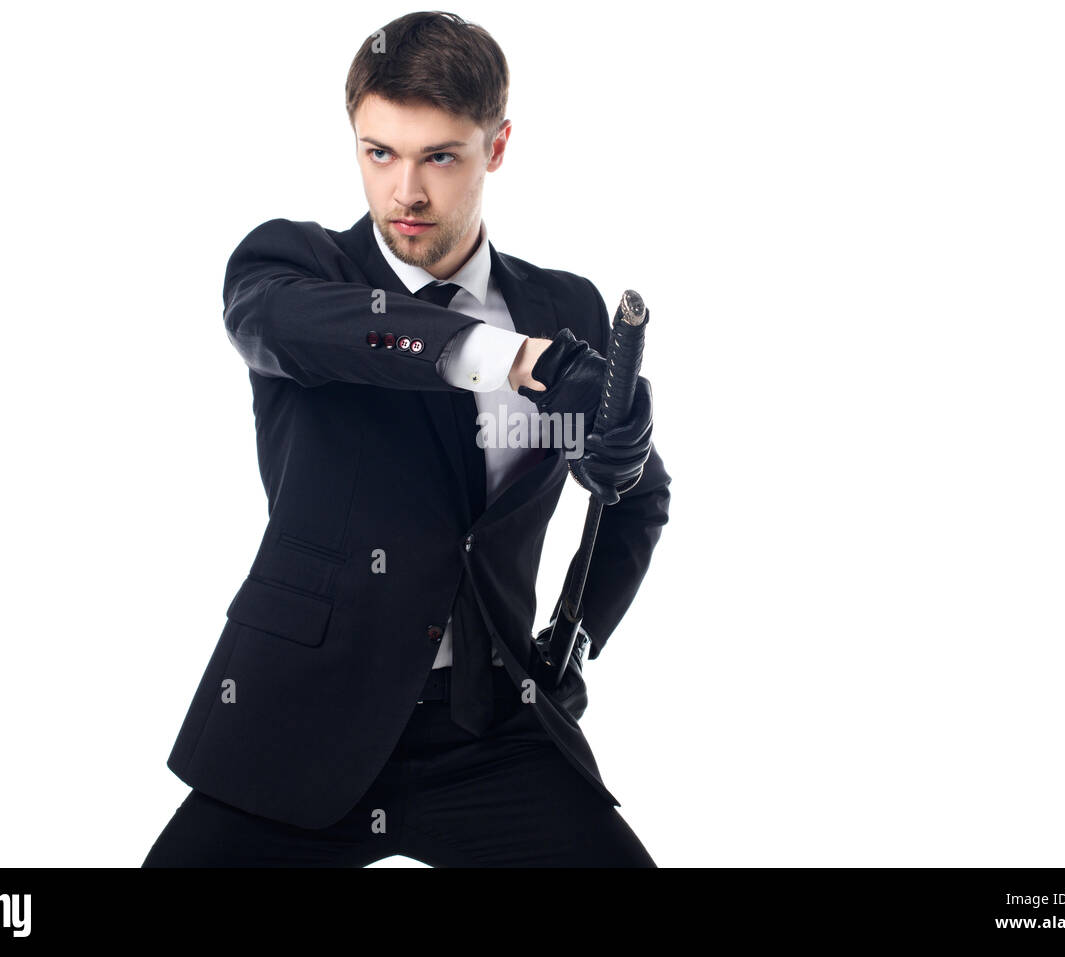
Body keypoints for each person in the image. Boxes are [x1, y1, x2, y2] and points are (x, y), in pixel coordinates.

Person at [142, 10, 671, 867]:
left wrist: (576, 630)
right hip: (300, 722)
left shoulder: (564, 309)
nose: (406, 193)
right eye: (378, 152)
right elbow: (315, 330)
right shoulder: (295, 271)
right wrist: (507, 359)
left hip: (493, 731)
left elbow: (637, 497)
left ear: (496, 147)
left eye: (440, 157)